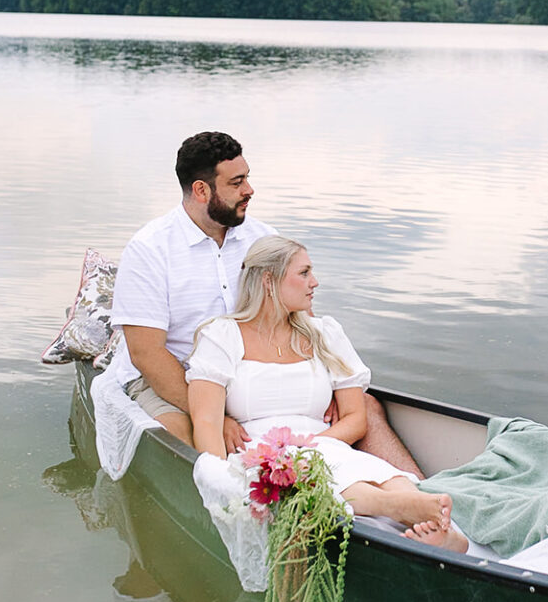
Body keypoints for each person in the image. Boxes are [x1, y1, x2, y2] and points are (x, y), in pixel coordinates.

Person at [110, 131, 420, 476]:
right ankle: (228, 497)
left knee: (365, 406)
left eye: (247, 178)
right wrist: (216, 415)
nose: (250, 190)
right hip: (177, 379)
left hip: (255, 371)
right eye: (237, 182)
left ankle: (420, 489)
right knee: (183, 432)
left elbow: (298, 311)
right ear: (201, 190)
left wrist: (328, 383)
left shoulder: (262, 238)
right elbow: (147, 354)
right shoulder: (149, 250)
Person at [187, 236, 453, 532]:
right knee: (311, 470)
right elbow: (206, 422)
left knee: (381, 474)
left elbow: (355, 418)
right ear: (268, 281)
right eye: (304, 273)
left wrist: (313, 445)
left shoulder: (324, 333)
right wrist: (221, 483)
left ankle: (443, 530)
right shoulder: (222, 336)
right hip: (261, 455)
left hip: (325, 443)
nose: (314, 282)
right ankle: (392, 506)